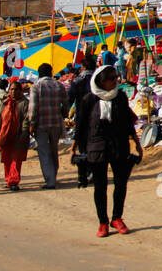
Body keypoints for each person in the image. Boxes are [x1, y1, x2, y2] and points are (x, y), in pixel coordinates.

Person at [77, 64, 141, 237]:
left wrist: (136, 140)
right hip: (96, 146)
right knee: (100, 186)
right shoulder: (89, 100)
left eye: (116, 77)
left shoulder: (120, 97)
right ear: (101, 81)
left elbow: (128, 121)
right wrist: (74, 146)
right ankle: (102, 222)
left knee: (121, 183)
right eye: (111, 78)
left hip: (119, 145)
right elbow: (81, 125)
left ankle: (117, 218)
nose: (115, 81)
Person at [28, 63, 69, 189]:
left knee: (44, 152)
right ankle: (53, 176)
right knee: (53, 150)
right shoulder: (59, 85)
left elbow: (33, 107)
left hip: (41, 124)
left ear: (39, 73)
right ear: (51, 73)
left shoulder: (36, 86)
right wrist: (62, 115)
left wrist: (32, 123)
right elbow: (66, 104)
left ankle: (50, 180)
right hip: (56, 122)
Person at [0, 80, 31, 190]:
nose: (13, 91)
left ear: (20, 91)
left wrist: (24, 134)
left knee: (16, 159)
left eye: (16, 89)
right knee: (6, 159)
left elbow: (26, 120)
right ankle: (8, 180)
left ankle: (14, 181)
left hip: (18, 135)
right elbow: (0, 119)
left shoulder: (24, 103)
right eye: (11, 89)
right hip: (5, 135)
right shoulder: (6, 102)